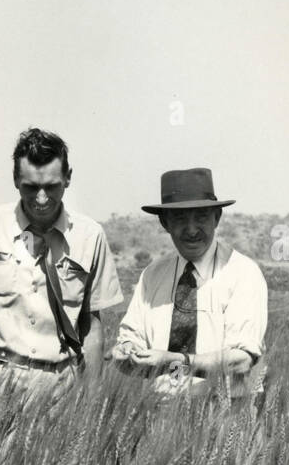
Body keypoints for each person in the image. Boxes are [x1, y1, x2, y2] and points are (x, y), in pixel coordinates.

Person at [0, 128, 124, 399]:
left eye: (52, 186)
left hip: (62, 388)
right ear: (15, 180)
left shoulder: (91, 236)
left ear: (68, 178)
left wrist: (92, 398)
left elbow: (91, 324)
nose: (42, 198)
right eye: (31, 187)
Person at [108, 168, 267, 408]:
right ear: (165, 223)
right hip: (162, 415)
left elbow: (242, 361)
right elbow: (131, 339)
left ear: (217, 217)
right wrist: (126, 352)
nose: (192, 230)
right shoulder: (152, 276)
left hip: (229, 413)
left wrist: (173, 360)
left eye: (201, 217)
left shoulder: (243, 273)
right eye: (181, 219)